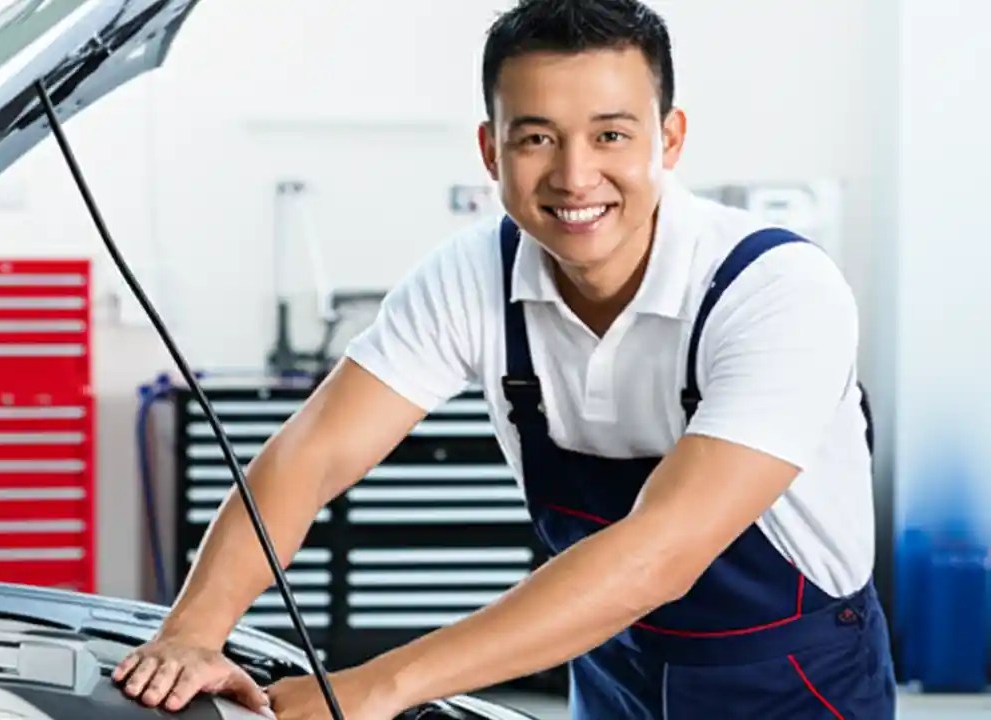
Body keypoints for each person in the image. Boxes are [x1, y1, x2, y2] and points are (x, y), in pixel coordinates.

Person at [112, 0, 897, 717]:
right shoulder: (472, 276)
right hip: (611, 664)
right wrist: (194, 633)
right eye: (537, 137)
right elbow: (311, 455)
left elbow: (660, 555)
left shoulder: (777, 290)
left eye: (611, 134)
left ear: (671, 139)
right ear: (491, 150)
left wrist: (369, 690)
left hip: (793, 680)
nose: (574, 175)